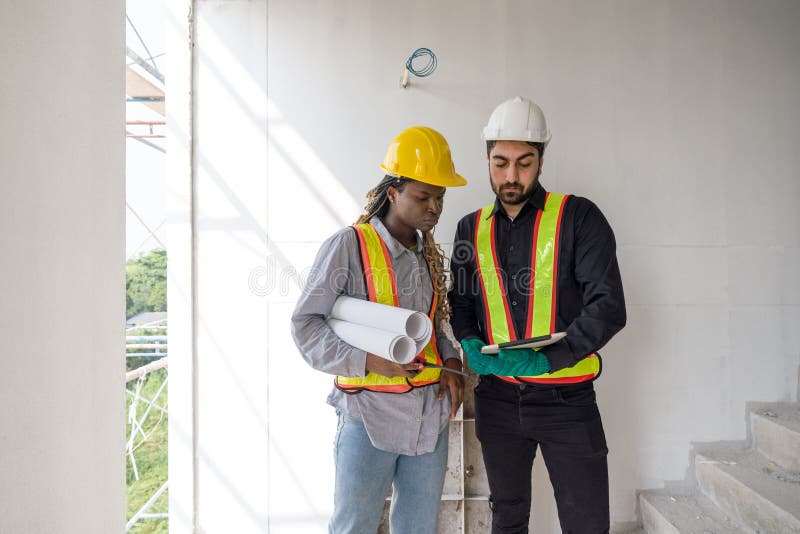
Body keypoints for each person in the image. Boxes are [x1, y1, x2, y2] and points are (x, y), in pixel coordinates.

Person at [448, 96, 626, 533]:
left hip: (568, 400)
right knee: (506, 516)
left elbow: (608, 306)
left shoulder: (579, 217)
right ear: (487, 159)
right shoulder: (470, 227)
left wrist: (548, 360)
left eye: (524, 163)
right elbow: (463, 302)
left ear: (542, 161)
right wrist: (469, 340)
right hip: (497, 400)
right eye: (501, 162)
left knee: (585, 521)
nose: (511, 175)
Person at [291, 126, 467, 534]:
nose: (434, 208)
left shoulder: (426, 255)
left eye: (440, 197)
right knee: (354, 526)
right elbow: (306, 326)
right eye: (423, 196)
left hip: (427, 416)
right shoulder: (348, 246)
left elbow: (433, 321)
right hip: (368, 416)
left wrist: (452, 359)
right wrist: (369, 360)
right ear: (393, 192)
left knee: (419, 527)